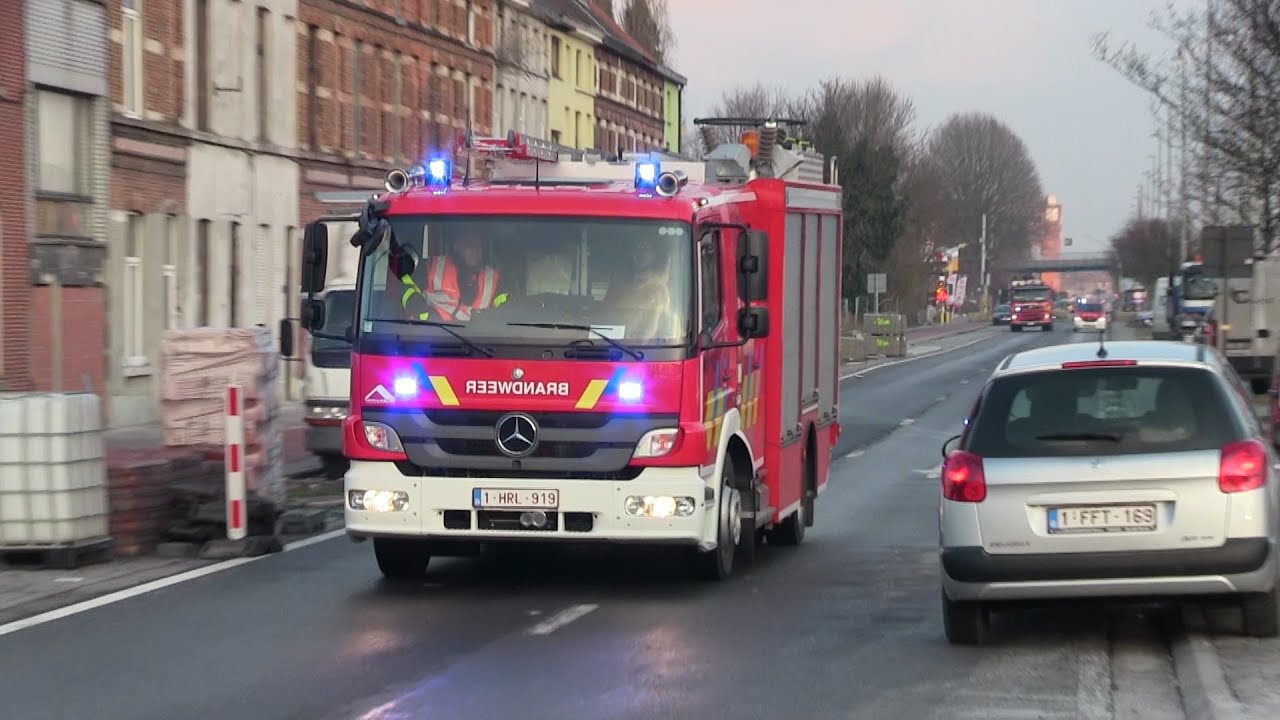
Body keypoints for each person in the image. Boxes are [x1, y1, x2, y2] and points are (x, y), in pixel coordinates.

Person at [399, 230, 508, 321]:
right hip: (433, 333)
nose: (475, 250)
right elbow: (405, 283)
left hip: (481, 339)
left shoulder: (494, 279)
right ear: (456, 246)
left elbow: (507, 305)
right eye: (469, 245)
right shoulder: (433, 266)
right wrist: (418, 306)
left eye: (478, 246)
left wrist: (488, 319)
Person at [603, 235, 671, 338]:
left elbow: (661, 322)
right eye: (637, 249)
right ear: (632, 254)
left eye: (646, 249)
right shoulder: (619, 284)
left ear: (654, 254)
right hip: (616, 340)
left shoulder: (659, 289)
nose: (641, 254)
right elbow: (606, 313)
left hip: (643, 345)